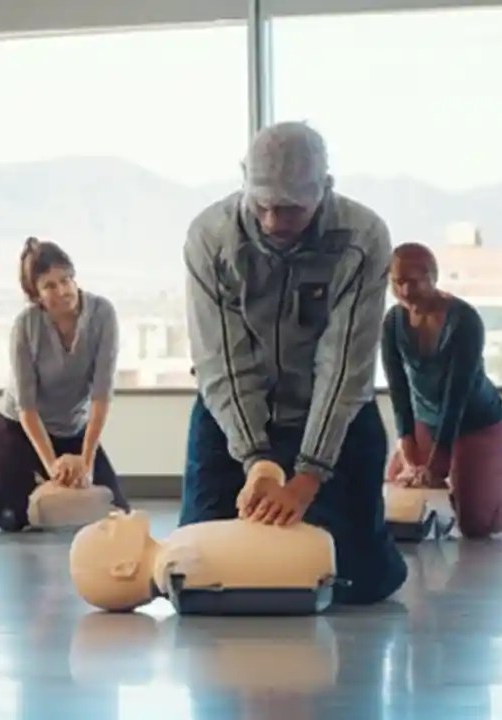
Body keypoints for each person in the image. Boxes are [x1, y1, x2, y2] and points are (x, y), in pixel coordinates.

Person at [181, 121, 407, 605]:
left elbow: (343, 365)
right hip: (234, 416)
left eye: (289, 209)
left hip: (332, 414)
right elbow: (221, 360)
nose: (270, 221)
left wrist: (308, 476)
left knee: (358, 582)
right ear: (244, 179)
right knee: (197, 570)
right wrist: (257, 461)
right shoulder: (210, 237)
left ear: (324, 190)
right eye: (260, 204)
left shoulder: (363, 238)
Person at [381, 242, 502, 537]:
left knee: (476, 525)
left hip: (477, 423)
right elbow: (398, 386)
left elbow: (458, 392)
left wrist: (441, 455)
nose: (404, 291)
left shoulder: (464, 320)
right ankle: (484, 481)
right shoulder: (393, 322)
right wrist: (406, 440)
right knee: (399, 492)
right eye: (396, 282)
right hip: (427, 419)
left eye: (412, 282)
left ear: (432, 277)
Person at [0, 237, 130, 531]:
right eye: (50, 286)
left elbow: (101, 396)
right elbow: (26, 407)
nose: (62, 291)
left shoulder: (102, 314)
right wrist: (53, 467)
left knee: (116, 511)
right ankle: (4, 490)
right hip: (20, 427)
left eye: (66, 280)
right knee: (16, 520)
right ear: (36, 295)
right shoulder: (25, 326)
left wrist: (86, 463)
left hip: (72, 425)